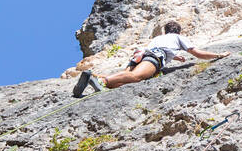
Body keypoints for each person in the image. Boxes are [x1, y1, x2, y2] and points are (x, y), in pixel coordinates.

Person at [73, 22, 228, 96]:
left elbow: (163, 49)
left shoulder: (158, 38)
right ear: (178, 31)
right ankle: (102, 81)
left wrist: (175, 57)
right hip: (153, 58)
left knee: (122, 81)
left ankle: (94, 77)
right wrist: (218, 55)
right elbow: (197, 53)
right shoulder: (178, 37)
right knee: (136, 77)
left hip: (140, 56)